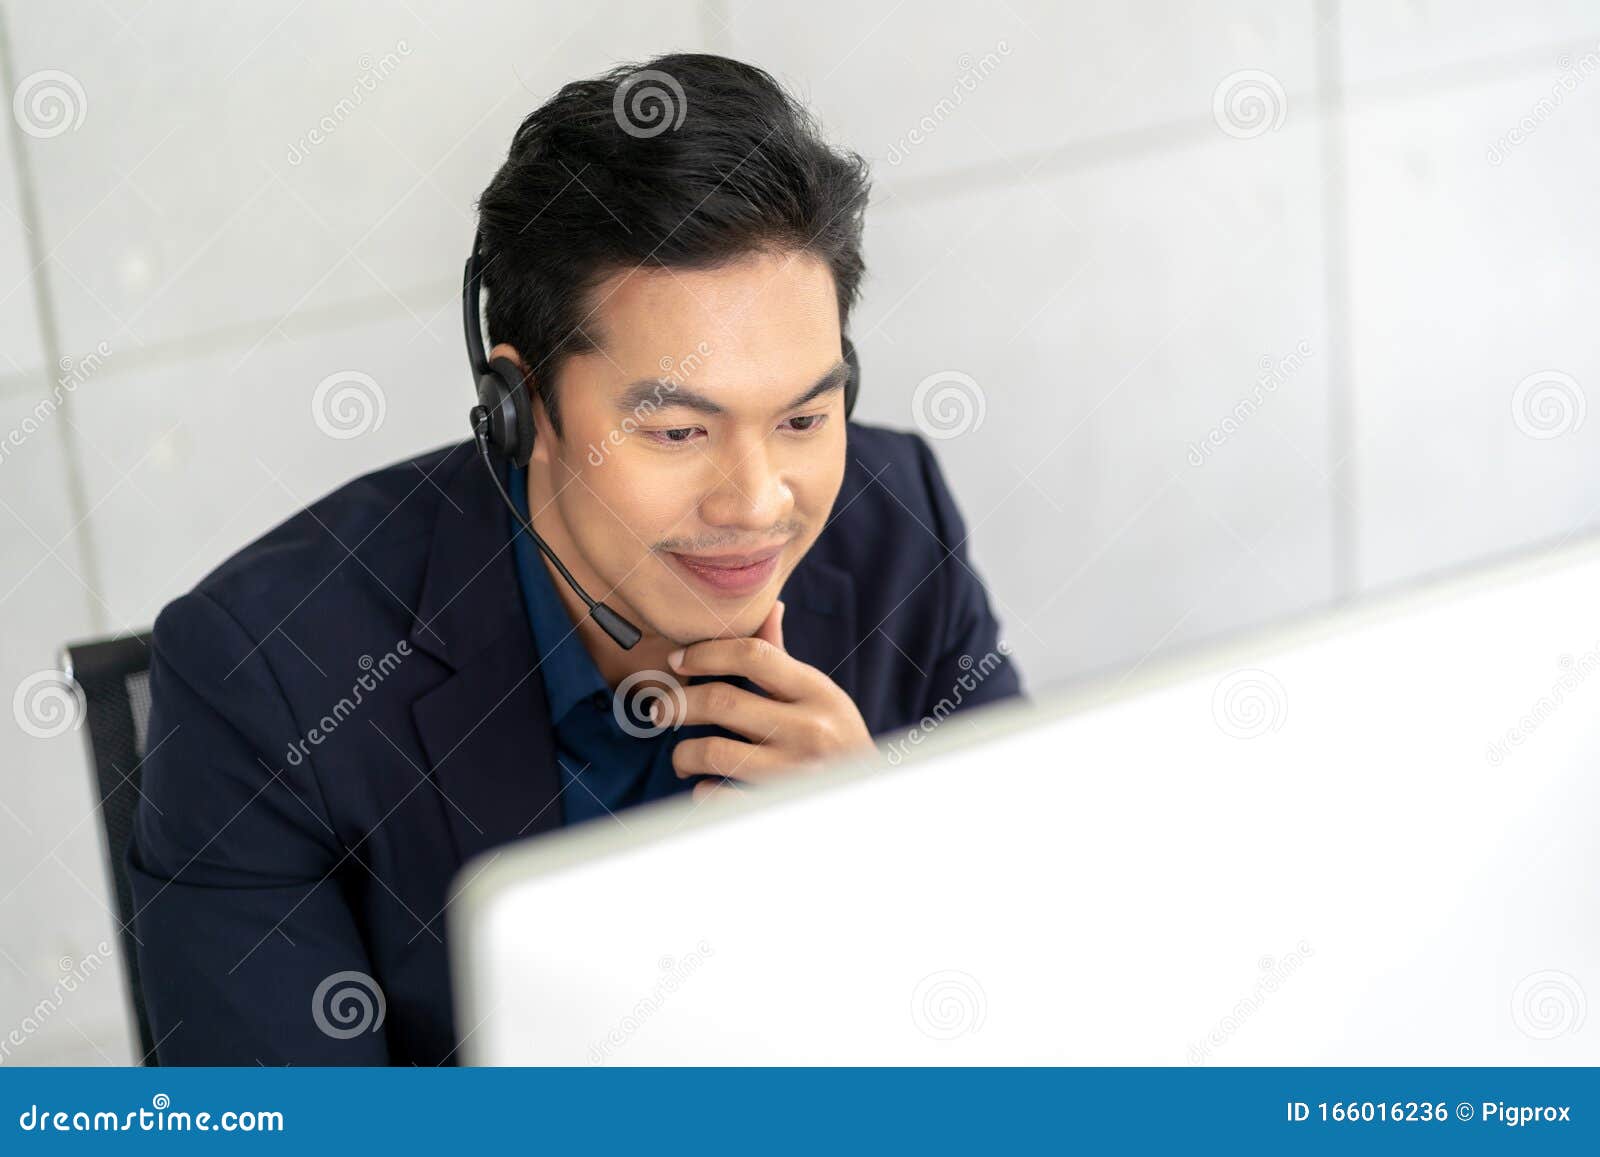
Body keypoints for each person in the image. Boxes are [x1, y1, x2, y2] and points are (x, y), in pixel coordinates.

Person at [127, 52, 1023, 1065]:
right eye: (678, 432)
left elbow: (1047, 973)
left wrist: (884, 857)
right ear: (521, 409)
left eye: (805, 418)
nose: (758, 503)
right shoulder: (265, 679)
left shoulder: (895, 527)